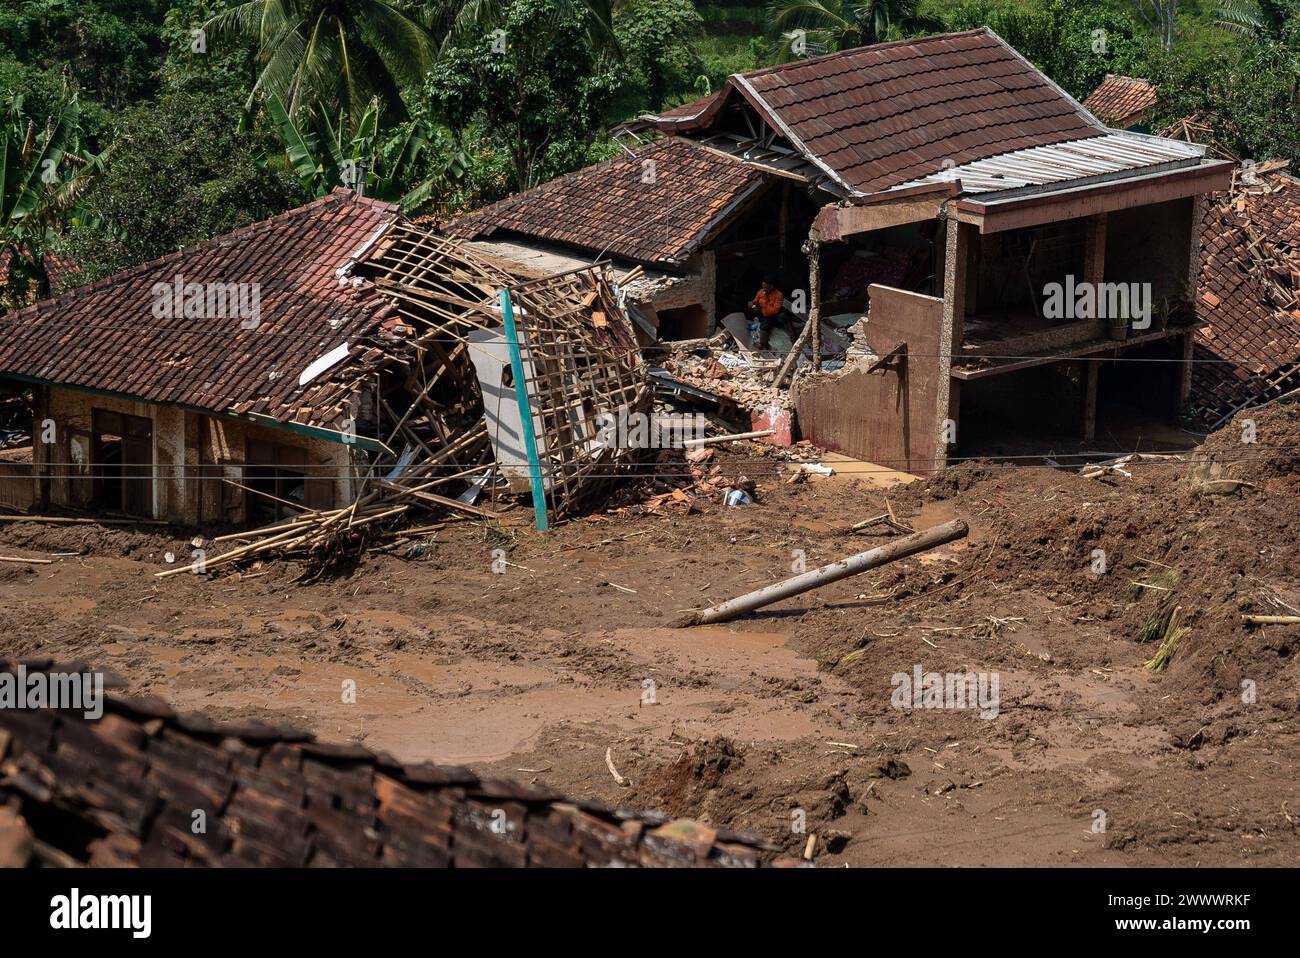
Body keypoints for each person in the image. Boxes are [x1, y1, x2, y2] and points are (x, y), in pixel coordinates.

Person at [747, 276, 788, 350]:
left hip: (773, 315)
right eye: (763, 287)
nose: (764, 289)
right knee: (754, 312)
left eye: (766, 287)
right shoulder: (761, 292)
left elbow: (775, 310)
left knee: (765, 325)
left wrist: (762, 310)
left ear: (771, 286)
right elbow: (755, 301)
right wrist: (752, 304)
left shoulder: (779, 295)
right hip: (763, 312)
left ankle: (762, 344)